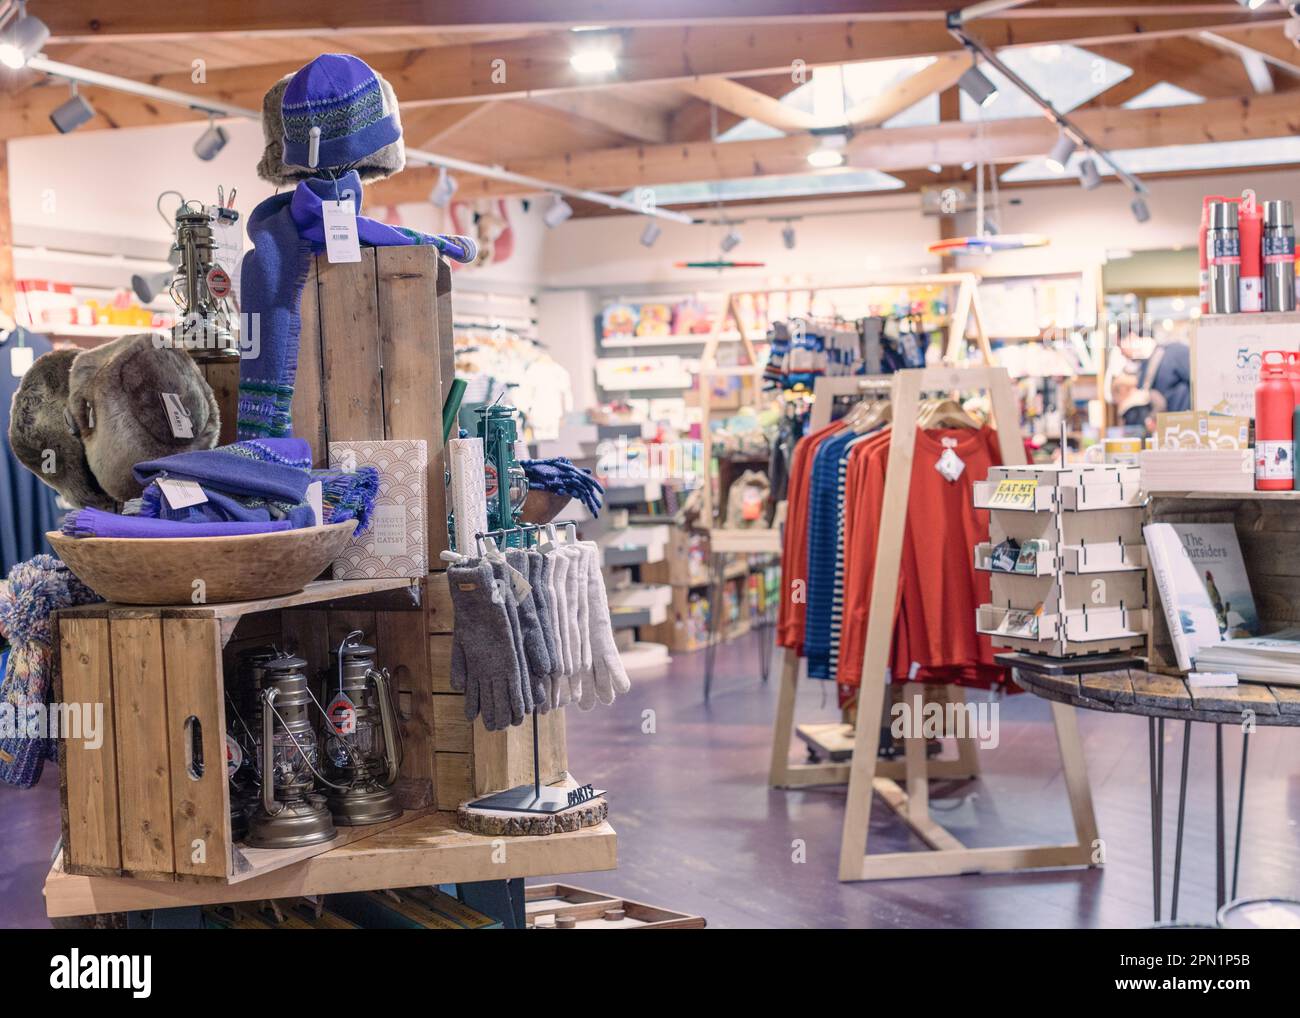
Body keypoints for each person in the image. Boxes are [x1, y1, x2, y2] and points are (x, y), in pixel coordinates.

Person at [1113, 340, 1191, 433]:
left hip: (1182, 431)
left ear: (1131, 336)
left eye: (1120, 346)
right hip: (1166, 434)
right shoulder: (1144, 367)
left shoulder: (1176, 352)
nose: (1121, 353)